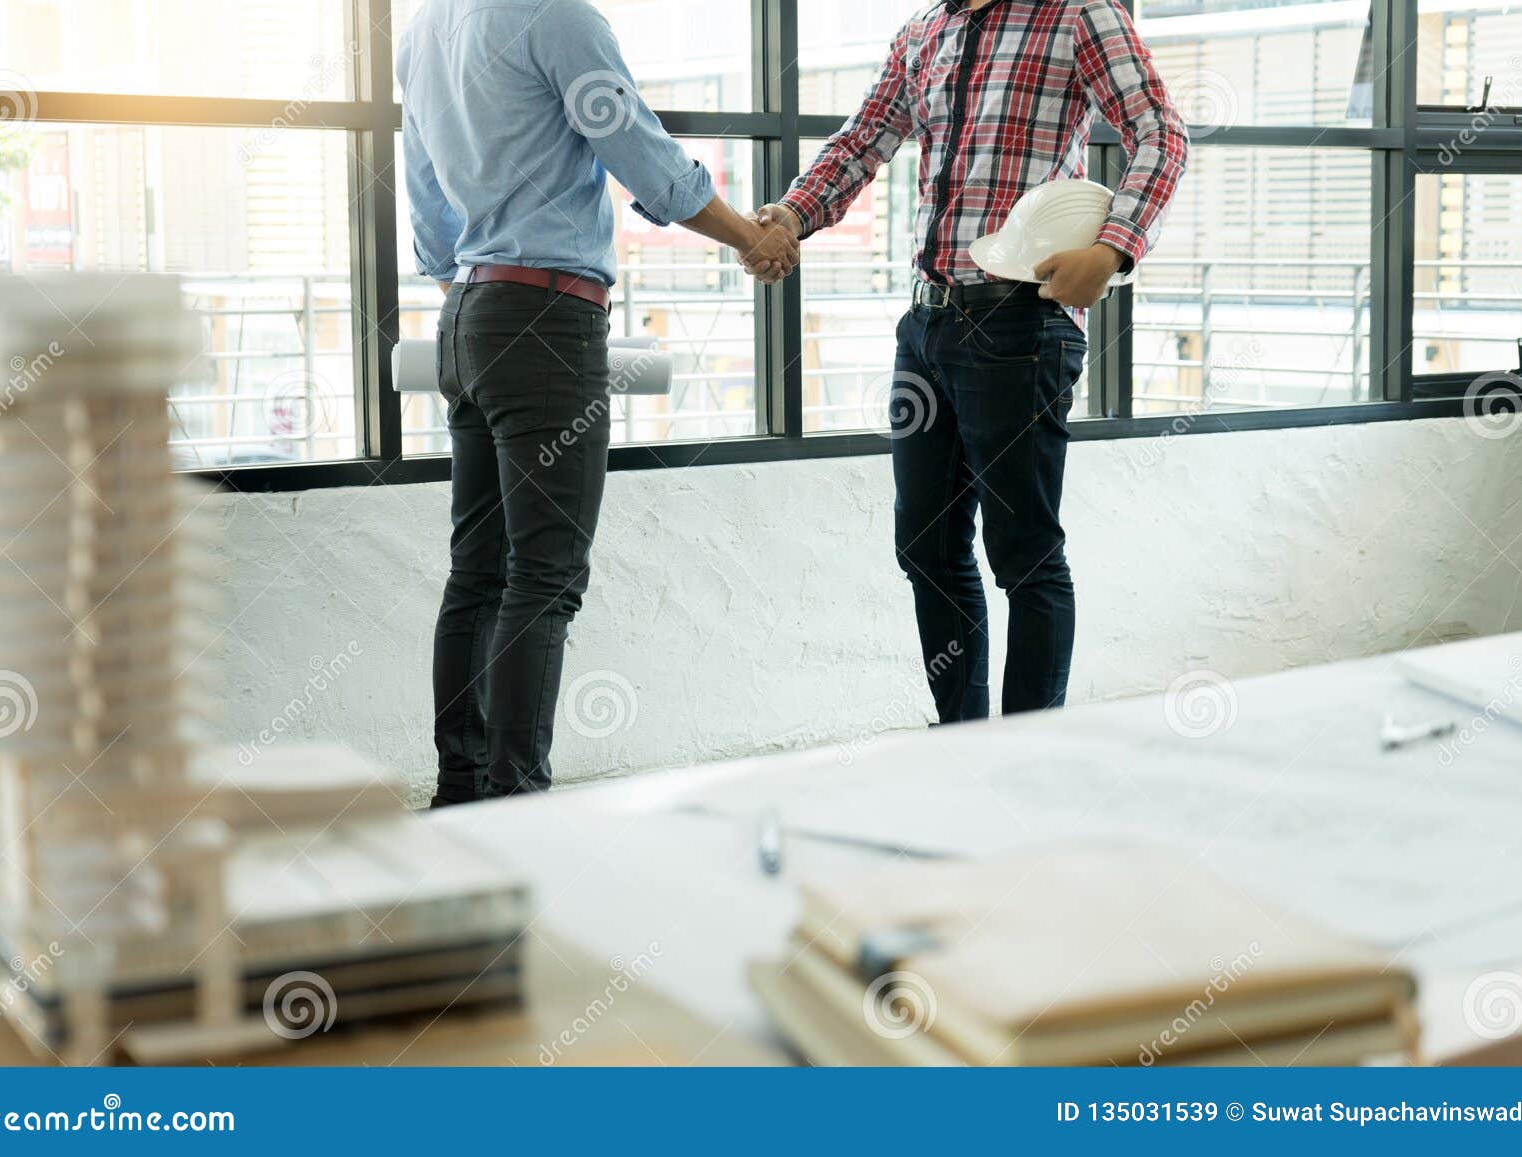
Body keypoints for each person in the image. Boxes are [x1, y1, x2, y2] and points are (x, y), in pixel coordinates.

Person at [400, 0, 797, 806]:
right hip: (545, 318)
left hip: (467, 314)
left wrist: (477, 299)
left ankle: (459, 795)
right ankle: (519, 808)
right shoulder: (555, 14)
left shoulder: (425, 28)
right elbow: (636, 148)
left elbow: (426, 202)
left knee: (476, 572)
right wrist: (747, 236)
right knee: (543, 578)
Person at [754, 0, 1187, 721]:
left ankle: (1026, 757)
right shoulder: (926, 30)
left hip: (1019, 323)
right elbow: (863, 139)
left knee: (1025, 556)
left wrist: (1112, 248)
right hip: (926, 326)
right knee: (925, 545)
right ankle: (964, 741)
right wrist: (791, 215)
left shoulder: (1076, 13)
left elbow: (1162, 134)